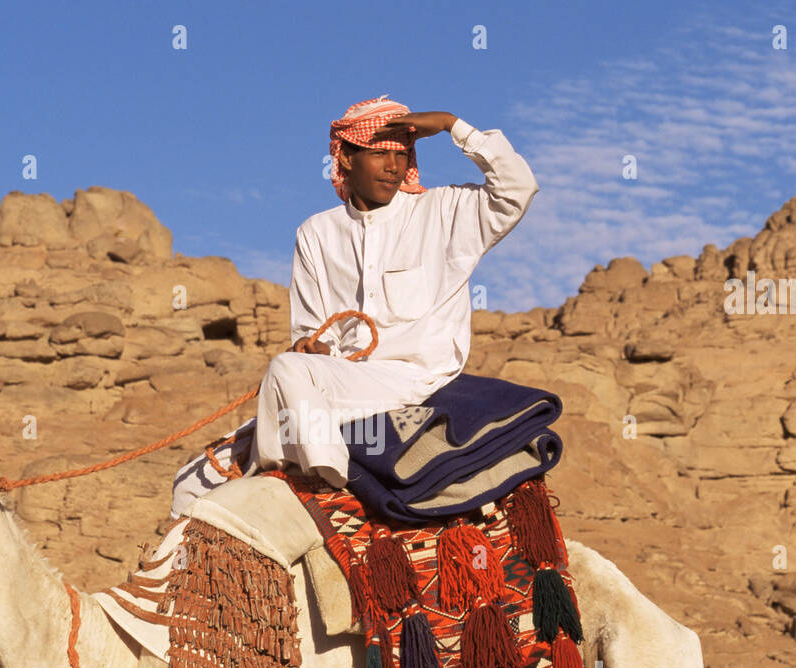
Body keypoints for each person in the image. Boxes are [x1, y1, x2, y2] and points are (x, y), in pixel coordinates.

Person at [170, 94, 538, 517]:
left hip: (415, 377)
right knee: (191, 482)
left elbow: (518, 189)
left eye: (402, 154)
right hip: (343, 381)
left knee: (285, 372)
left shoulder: (445, 212)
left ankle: (325, 487)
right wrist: (314, 347)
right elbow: (308, 332)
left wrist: (454, 125)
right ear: (344, 158)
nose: (393, 166)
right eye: (379, 153)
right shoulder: (317, 233)